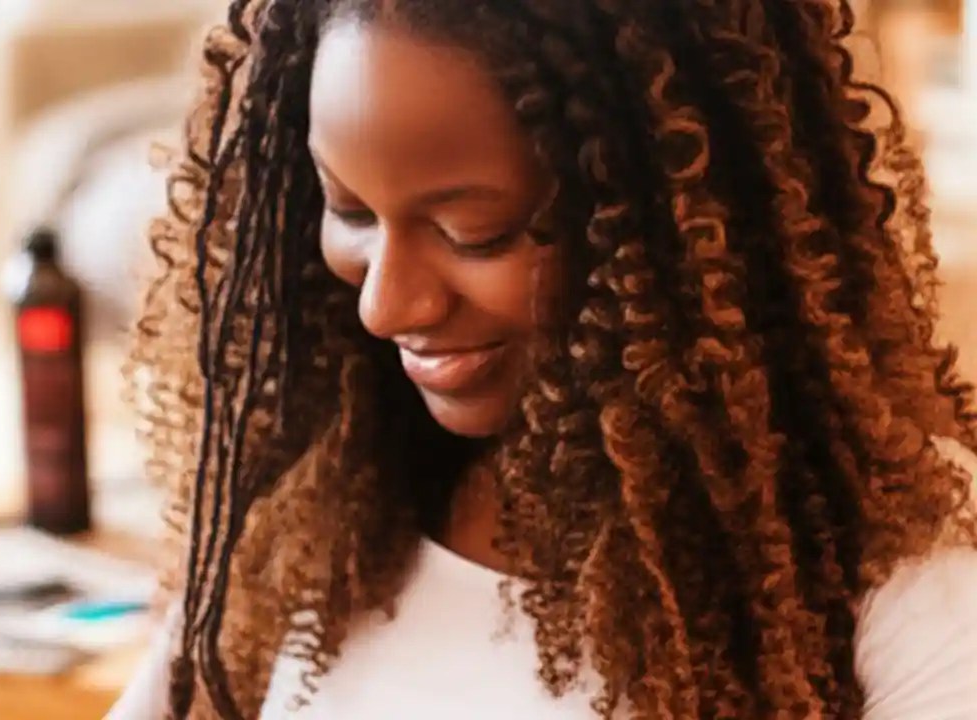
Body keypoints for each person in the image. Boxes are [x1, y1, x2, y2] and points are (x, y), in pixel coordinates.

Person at [114, 0, 977, 717]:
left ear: (682, 223)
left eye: (474, 233)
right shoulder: (311, 494)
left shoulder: (901, 567)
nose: (384, 305)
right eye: (350, 211)